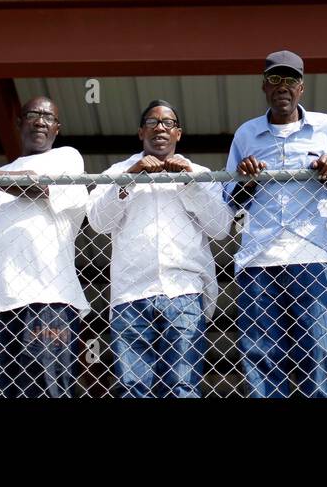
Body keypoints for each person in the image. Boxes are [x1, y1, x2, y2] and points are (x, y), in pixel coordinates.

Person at [225, 49, 327, 398]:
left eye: (291, 80)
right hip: (259, 258)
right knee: (262, 355)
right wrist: (247, 180)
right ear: (264, 87)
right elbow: (229, 198)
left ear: (302, 88)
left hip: (310, 252)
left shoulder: (324, 127)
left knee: (314, 353)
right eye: (275, 79)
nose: (282, 87)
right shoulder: (246, 134)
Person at [87, 101, 233, 397]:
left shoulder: (201, 173)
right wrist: (130, 178)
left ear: (178, 133)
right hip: (131, 293)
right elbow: (99, 222)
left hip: (184, 291)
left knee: (182, 386)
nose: (160, 128)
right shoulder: (118, 171)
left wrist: (189, 183)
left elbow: (221, 228)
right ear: (141, 132)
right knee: (133, 387)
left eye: (168, 123)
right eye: (152, 123)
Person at [0, 97, 90, 398]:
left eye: (48, 117)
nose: (40, 121)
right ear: (19, 122)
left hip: (48, 299)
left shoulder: (66, 158)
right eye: (33, 115)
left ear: (57, 128)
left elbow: (37, 186)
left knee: (44, 391)